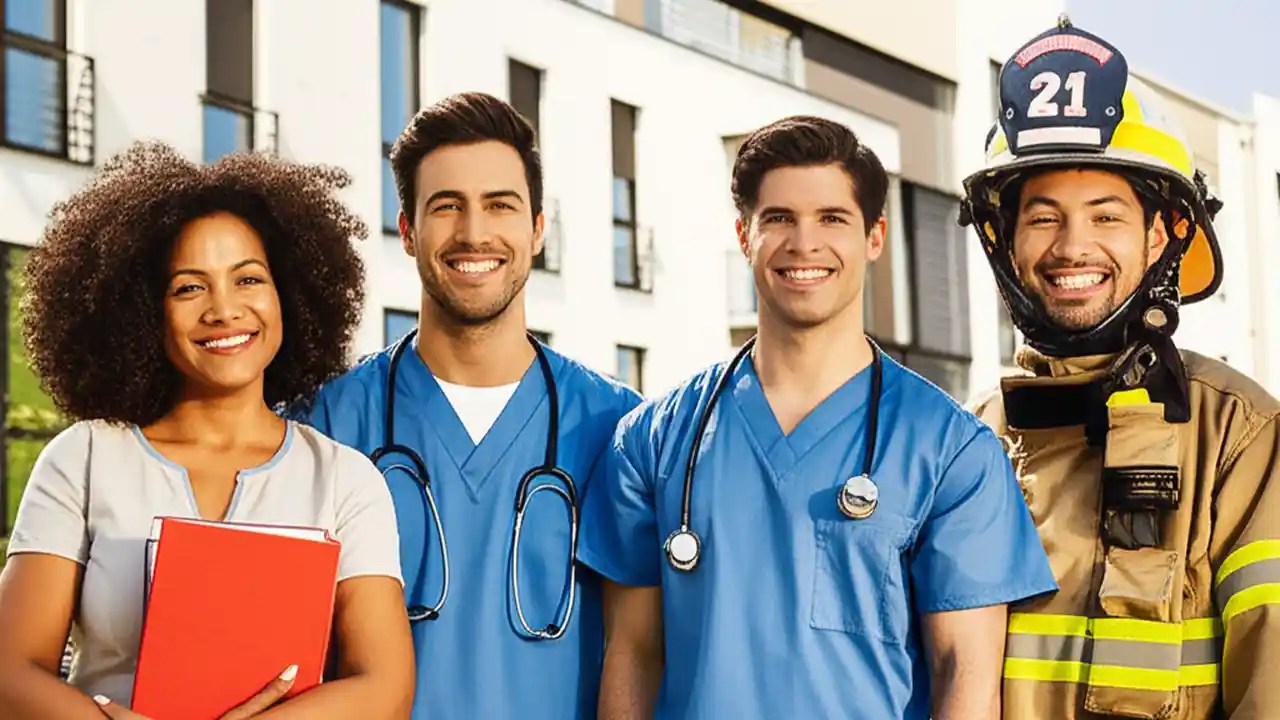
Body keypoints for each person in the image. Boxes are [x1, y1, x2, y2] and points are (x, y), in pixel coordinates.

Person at [577, 114, 1058, 720]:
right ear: (744, 235)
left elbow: (964, 676)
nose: (804, 243)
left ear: (875, 237)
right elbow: (633, 656)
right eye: (779, 218)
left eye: (832, 219)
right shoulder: (653, 442)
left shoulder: (952, 452)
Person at [0, 141, 415, 719]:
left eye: (248, 280)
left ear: (288, 294)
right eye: (189, 287)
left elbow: (384, 688)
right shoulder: (85, 459)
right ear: (145, 311)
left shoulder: (346, 480)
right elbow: (11, 674)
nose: (223, 309)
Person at [958, 15, 1280, 719]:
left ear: (1159, 236)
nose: (1073, 247)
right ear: (1005, 240)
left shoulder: (1239, 432)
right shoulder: (964, 440)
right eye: (1043, 217)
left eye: (1106, 217)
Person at [291, 91, 643, 720]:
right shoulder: (327, 424)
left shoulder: (620, 430)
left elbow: (644, 654)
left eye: (500, 205)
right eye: (447, 206)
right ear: (407, 231)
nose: (474, 232)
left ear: (537, 229)